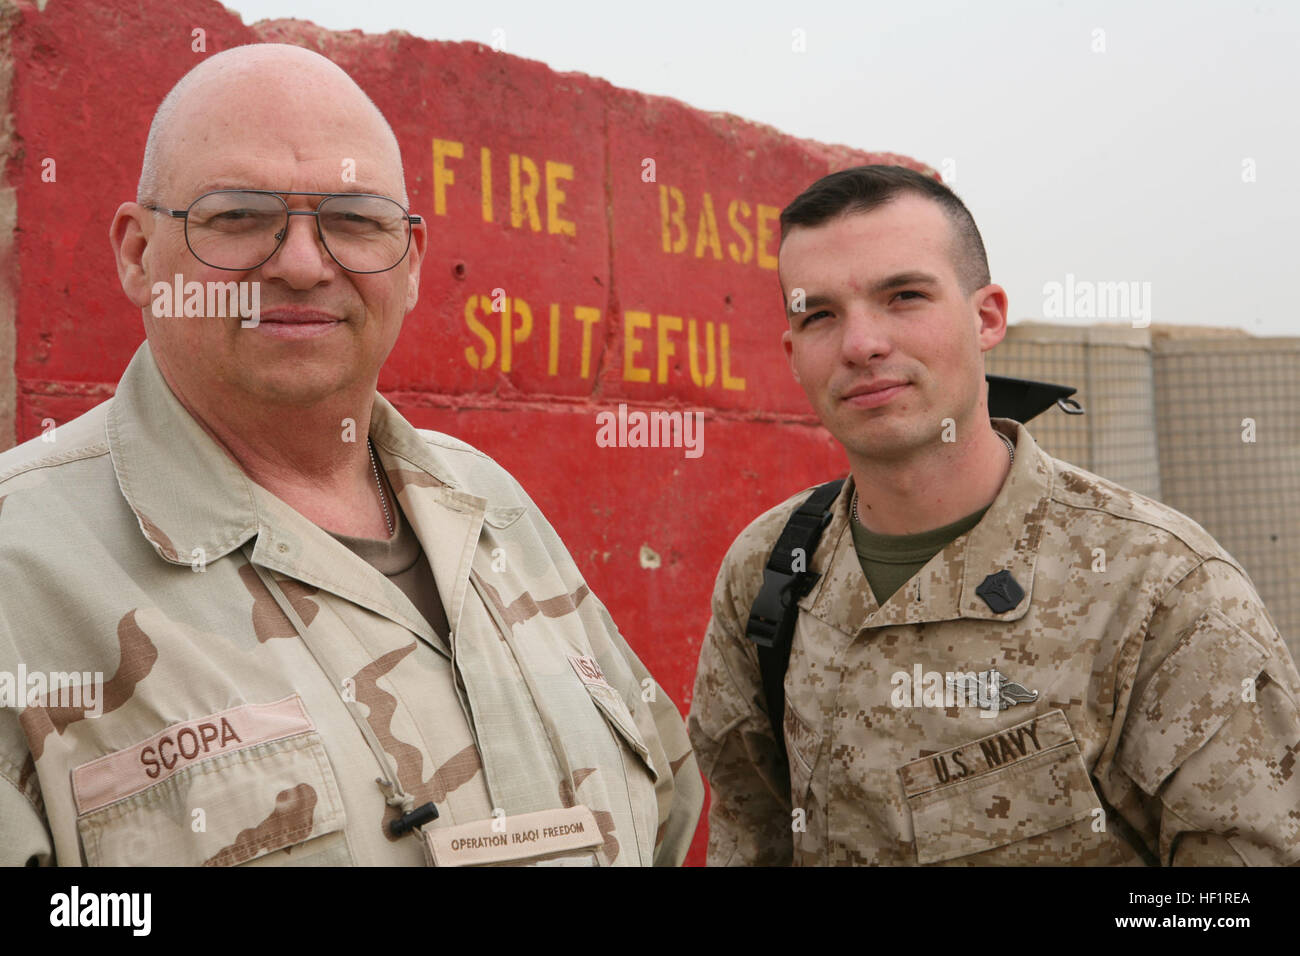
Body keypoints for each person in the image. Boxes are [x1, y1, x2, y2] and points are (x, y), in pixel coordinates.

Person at [0, 43, 701, 866]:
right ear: (137, 253)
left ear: (409, 266)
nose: (302, 263)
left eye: (355, 222)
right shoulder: (25, 570)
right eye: (238, 216)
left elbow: (666, 804)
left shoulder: (491, 506)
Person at [687, 165, 1300, 866]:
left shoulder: (1159, 586)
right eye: (819, 314)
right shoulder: (771, 570)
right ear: (794, 355)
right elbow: (749, 833)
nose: (861, 344)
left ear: (987, 318)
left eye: (904, 296)